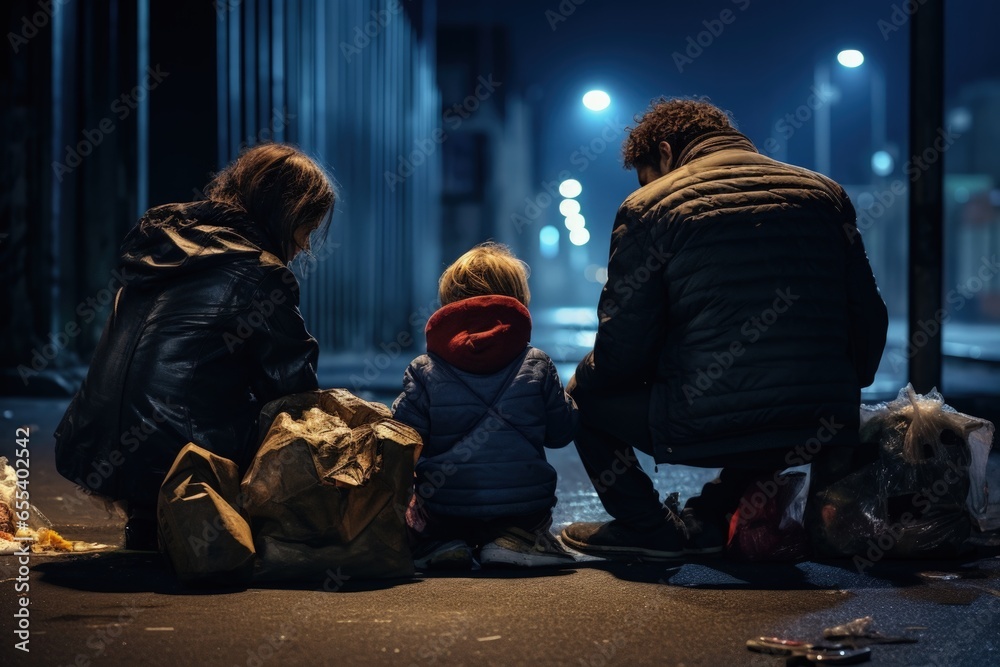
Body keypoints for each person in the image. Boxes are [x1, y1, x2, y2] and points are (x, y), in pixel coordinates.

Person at [560, 97, 888, 560]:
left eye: (649, 172)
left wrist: (640, 377)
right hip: (820, 420)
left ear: (667, 152)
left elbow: (622, 351)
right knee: (755, 403)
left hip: (710, 420)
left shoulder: (649, 207)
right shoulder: (825, 194)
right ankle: (710, 517)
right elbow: (869, 315)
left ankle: (649, 529)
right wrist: (841, 388)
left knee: (581, 394)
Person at [54, 143, 335, 550]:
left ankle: (150, 514)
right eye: (306, 229)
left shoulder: (157, 241)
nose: (304, 246)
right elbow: (292, 386)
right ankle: (199, 509)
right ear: (285, 214)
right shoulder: (260, 272)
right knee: (297, 417)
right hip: (172, 457)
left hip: (90, 443)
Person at [391, 242, 579, 568]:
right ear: (518, 300)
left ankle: (443, 544)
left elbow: (403, 441)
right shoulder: (537, 364)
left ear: (448, 303)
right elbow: (560, 433)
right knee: (522, 521)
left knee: (425, 517)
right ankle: (514, 540)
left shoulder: (424, 369)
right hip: (525, 507)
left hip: (446, 508)